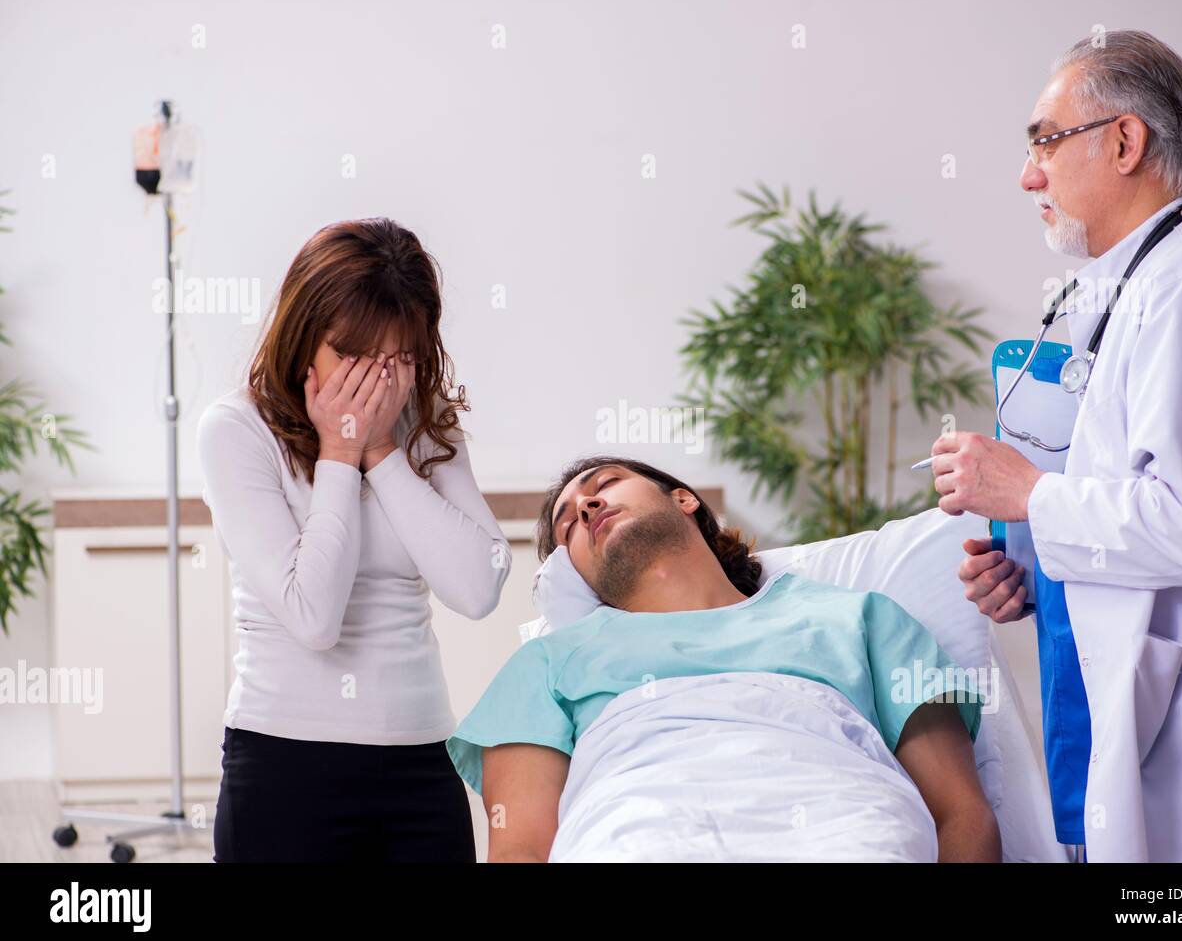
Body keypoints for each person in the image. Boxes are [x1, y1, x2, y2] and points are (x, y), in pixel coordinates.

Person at [930, 31, 1182, 861]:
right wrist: (1037, 572)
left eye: (1043, 143)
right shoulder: (1145, 284)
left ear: (1125, 142)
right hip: (1157, 700)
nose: (1029, 175)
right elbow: (1139, 505)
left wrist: (1029, 494)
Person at [445, 456, 1000, 862]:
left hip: (847, 827)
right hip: (639, 837)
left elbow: (962, 815)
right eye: (568, 526)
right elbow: (520, 853)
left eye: (605, 485)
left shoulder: (860, 618)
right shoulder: (547, 664)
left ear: (684, 498)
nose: (586, 507)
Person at [197, 218, 511, 862]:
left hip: (419, 760)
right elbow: (312, 618)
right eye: (352, 356)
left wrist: (382, 453)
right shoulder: (236, 430)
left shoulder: (423, 425)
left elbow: (479, 587)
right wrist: (340, 453)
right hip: (284, 762)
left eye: (396, 359)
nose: (374, 384)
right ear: (301, 336)